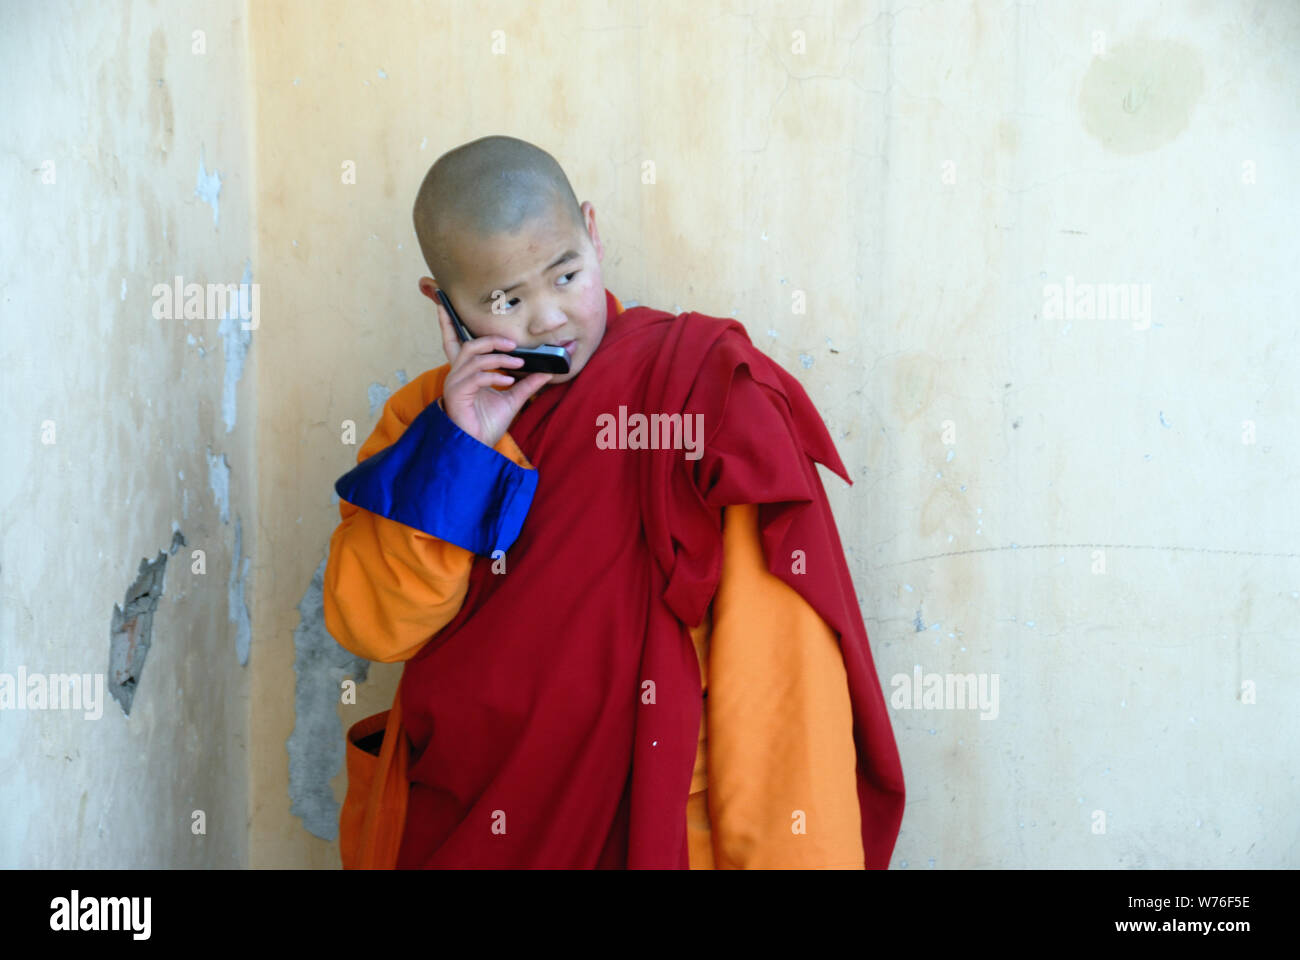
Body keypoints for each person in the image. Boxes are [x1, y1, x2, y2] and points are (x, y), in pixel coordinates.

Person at [324, 134, 904, 868]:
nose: (549, 320)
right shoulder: (422, 423)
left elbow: (780, 682)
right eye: (505, 300)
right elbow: (373, 627)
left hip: (660, 829)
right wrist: (460, 453)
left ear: (593, 234)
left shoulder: (698, 396)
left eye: (566, 275)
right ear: (445, 305)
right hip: (470, 822)